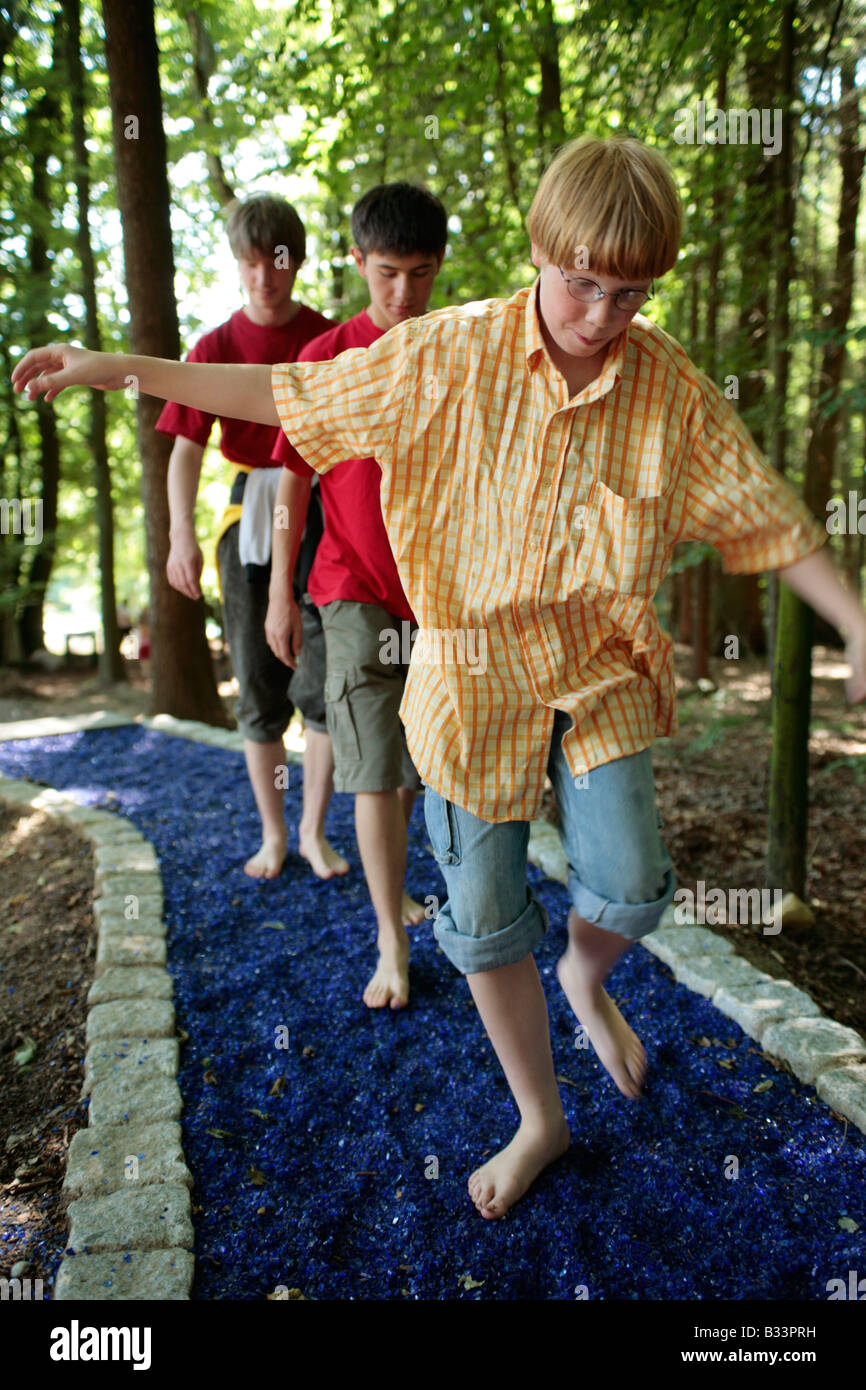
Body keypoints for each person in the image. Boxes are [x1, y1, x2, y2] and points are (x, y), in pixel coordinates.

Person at [14, 136, 866, 1224]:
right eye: (580, 284)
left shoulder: (667, 389)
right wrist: (113, 366)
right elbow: (279, 393)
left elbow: (761, 510)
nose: (601, 316)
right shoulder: (443, 353)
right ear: (537, 252)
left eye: (629, 293)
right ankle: (539, 1117)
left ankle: (585, 978)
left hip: (595, 677)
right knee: (480, 919)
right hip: (466, 685)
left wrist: (849, 622)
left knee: (633, 883)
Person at [265, 183, 448, 1011]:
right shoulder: (322, 360)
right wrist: (279, 593)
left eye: (419, 274)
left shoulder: (456, 352)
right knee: (371, 761)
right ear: (356, 264)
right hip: (350, 589)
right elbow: (291, 488)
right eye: (385, 274)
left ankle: (400, 887)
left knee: (413, 766)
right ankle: (390, 935)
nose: (402, 295)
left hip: (441, 594)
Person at [157, 193, 348, 881]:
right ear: (236, 265)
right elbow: (185, 450)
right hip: (248, 519)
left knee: (324, 682)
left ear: (296, 261)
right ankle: (272, 833)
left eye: (278, 260)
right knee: (257, 681)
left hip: (329, 517)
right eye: (249, 261)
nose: (264, 276)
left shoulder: (331, 339)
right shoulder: (213, 348)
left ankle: (313, 831)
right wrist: (180, 537)